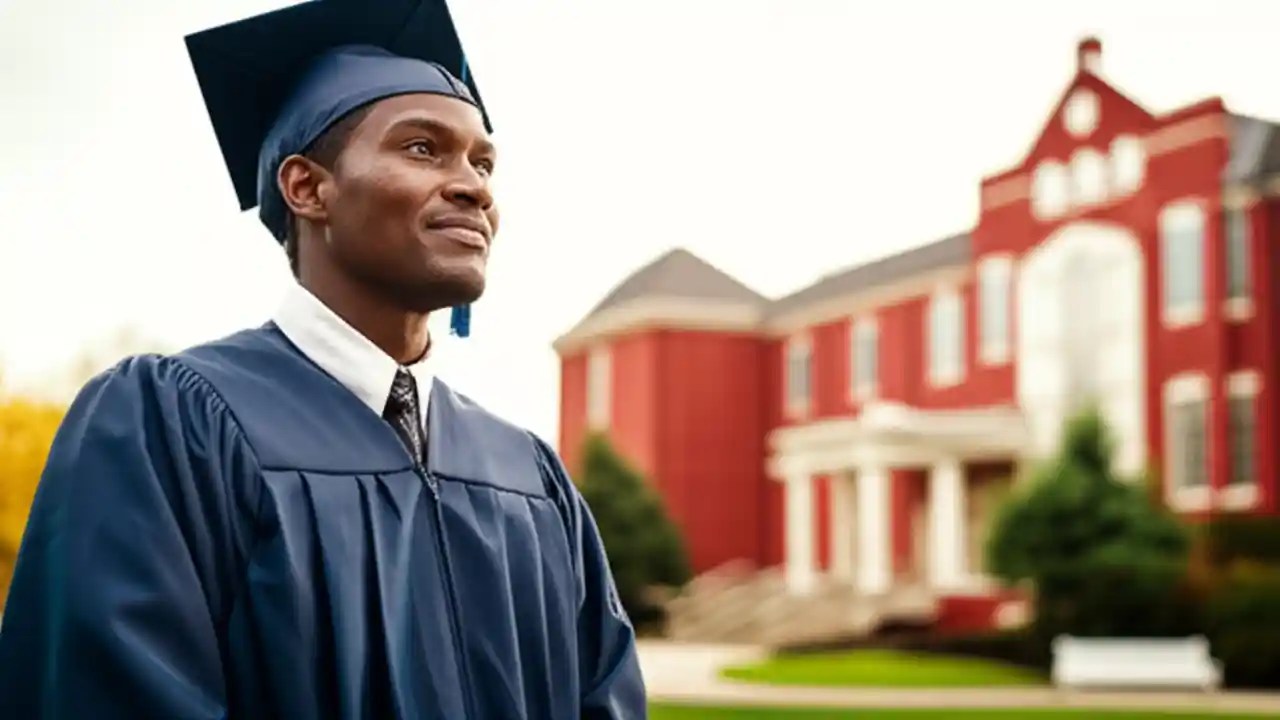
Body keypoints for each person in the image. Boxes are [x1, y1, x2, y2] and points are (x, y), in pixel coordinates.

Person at [0, 1, 647, 718]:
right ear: (307, 188)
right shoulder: (170, 426)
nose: (474, 185)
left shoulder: (529, 475)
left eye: (482, 160)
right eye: (423, 149)